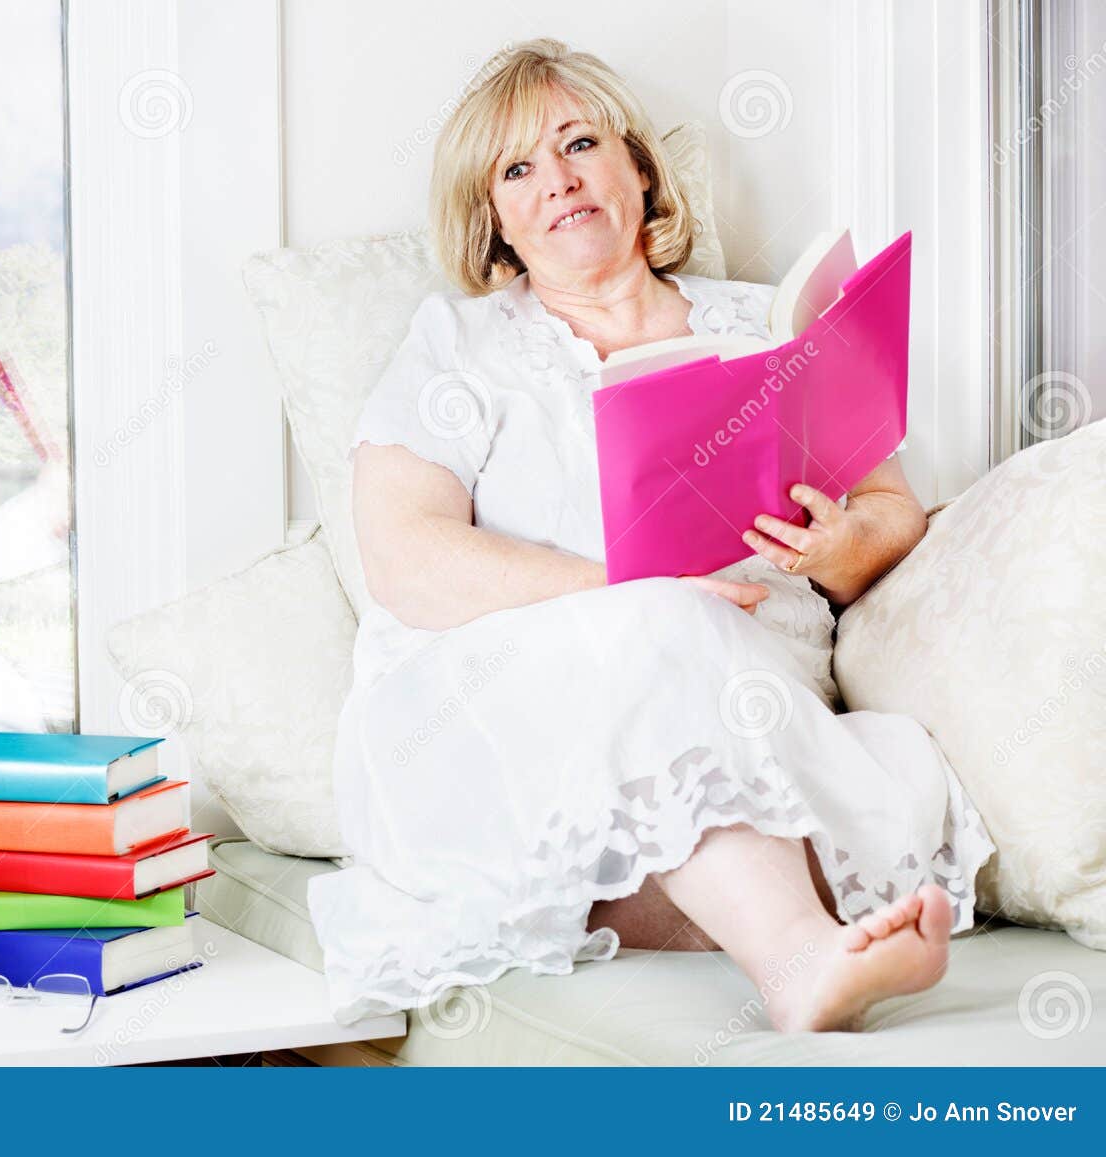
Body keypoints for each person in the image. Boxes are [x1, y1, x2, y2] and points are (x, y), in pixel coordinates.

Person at [305, 39, 994, 1034]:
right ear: (492, 216)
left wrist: (837, 548)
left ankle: (714, 900)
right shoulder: (454, 346)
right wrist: (621, 590)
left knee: (902, 762)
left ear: (636, 168)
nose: (560, 180)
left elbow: (890, 511)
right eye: (517, 168)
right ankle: (797, 957)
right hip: (499, 720)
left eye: (581, 143)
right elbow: (405, 559)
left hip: (756, 696)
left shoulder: (762, 326)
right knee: (662, 616)